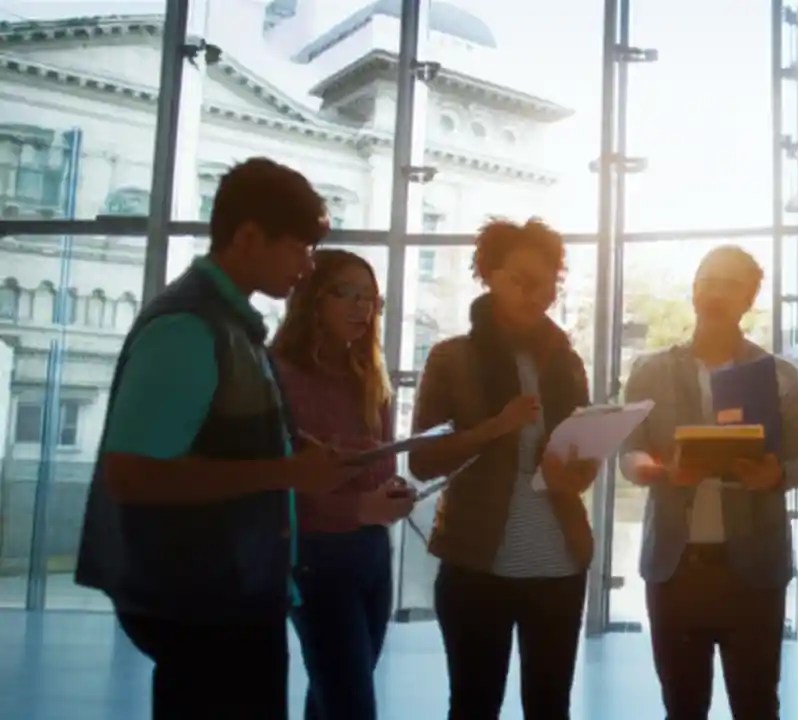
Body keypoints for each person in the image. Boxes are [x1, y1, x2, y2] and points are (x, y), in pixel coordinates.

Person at [76, 157, 352, 720]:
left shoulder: (234, 326)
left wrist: (295, 455)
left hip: (232, 596)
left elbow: (227, 437)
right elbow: (131, 474)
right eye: (298, 249)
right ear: (249, 237)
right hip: (203, 604)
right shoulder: (187, 328)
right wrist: (284, 472)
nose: (306, 268)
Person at [408, 218, 599, 720]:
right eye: (521, 279)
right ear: (489, 275)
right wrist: (495, 427)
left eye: (548, 282)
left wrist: (578, 467)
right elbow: (422, 459)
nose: (536, 293)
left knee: (550, 706)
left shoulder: (567, 362)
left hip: (559, 559)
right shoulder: (453, 358)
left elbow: (584, 465)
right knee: (474, 704)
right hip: (475, 560)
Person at [620, 245, 798, 720]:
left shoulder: (781, 376)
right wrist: (656, 470)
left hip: (752, 568)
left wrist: (777, 475)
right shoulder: (650, 371)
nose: (715, 292)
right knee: (682, 705)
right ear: (693, 290)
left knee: (756, 704)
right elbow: (628, 453)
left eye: (731, 284)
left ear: (750, 298)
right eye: (708, 280)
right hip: (675, 566)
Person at [272, 249, 415, 720]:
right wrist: (358, 508)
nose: (361, 308)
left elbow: (381, 457)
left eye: (370, 298)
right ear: (312, 298)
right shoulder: (278, 375)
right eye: (346, 294)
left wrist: (392, 490)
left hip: (372, 553)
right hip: (315, 559)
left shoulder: (368, 373)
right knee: (351, 703)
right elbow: (276, 485)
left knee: (333, 695)